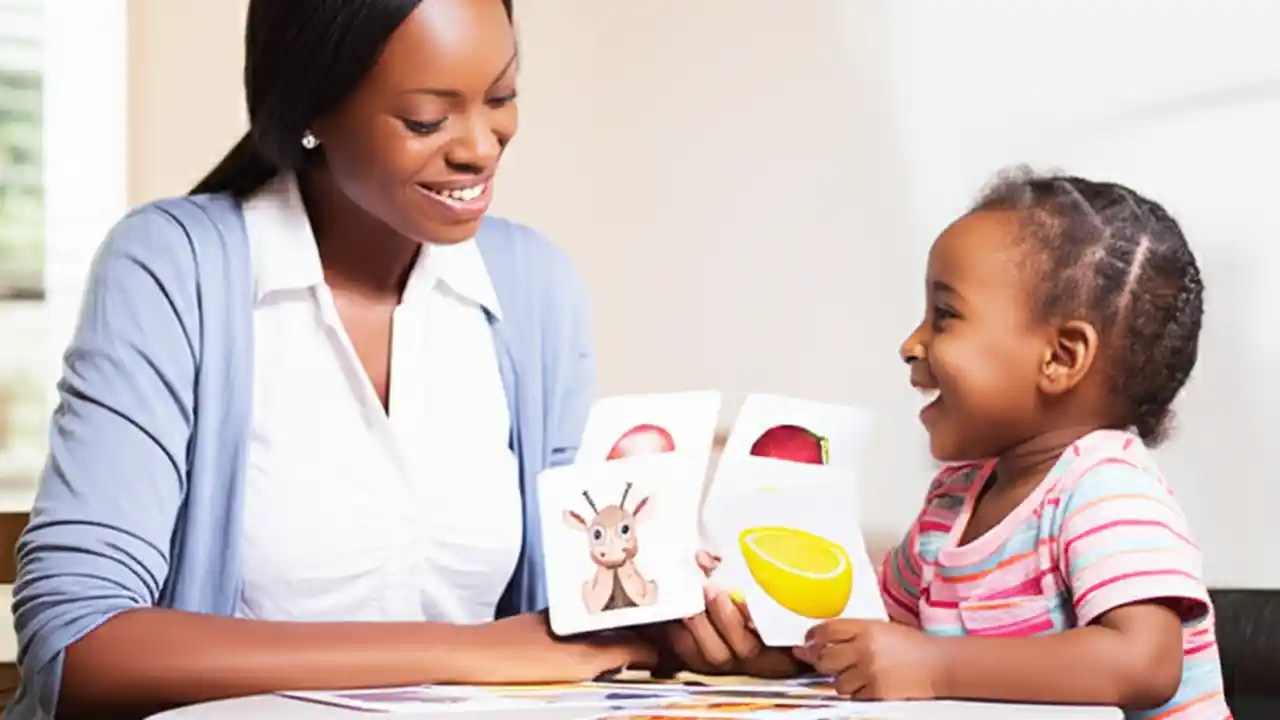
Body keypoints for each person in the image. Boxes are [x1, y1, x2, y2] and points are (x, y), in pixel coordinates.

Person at [3, 1, 761, 717]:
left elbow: (574, 609)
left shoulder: (533, 286)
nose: (478, 146)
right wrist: (473, 653)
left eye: (500, 97)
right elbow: (79, 647)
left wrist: (671, 622)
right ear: (310, 111)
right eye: (428, 117)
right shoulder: (173, 269)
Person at [796, 170, 1231, 718]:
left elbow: (1141, 663)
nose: (911, 344)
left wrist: (935, 667)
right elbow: (879, 641)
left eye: (945, 316)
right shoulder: (951, 501)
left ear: (1061, 358)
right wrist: (780, 648)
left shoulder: (1107, 488)